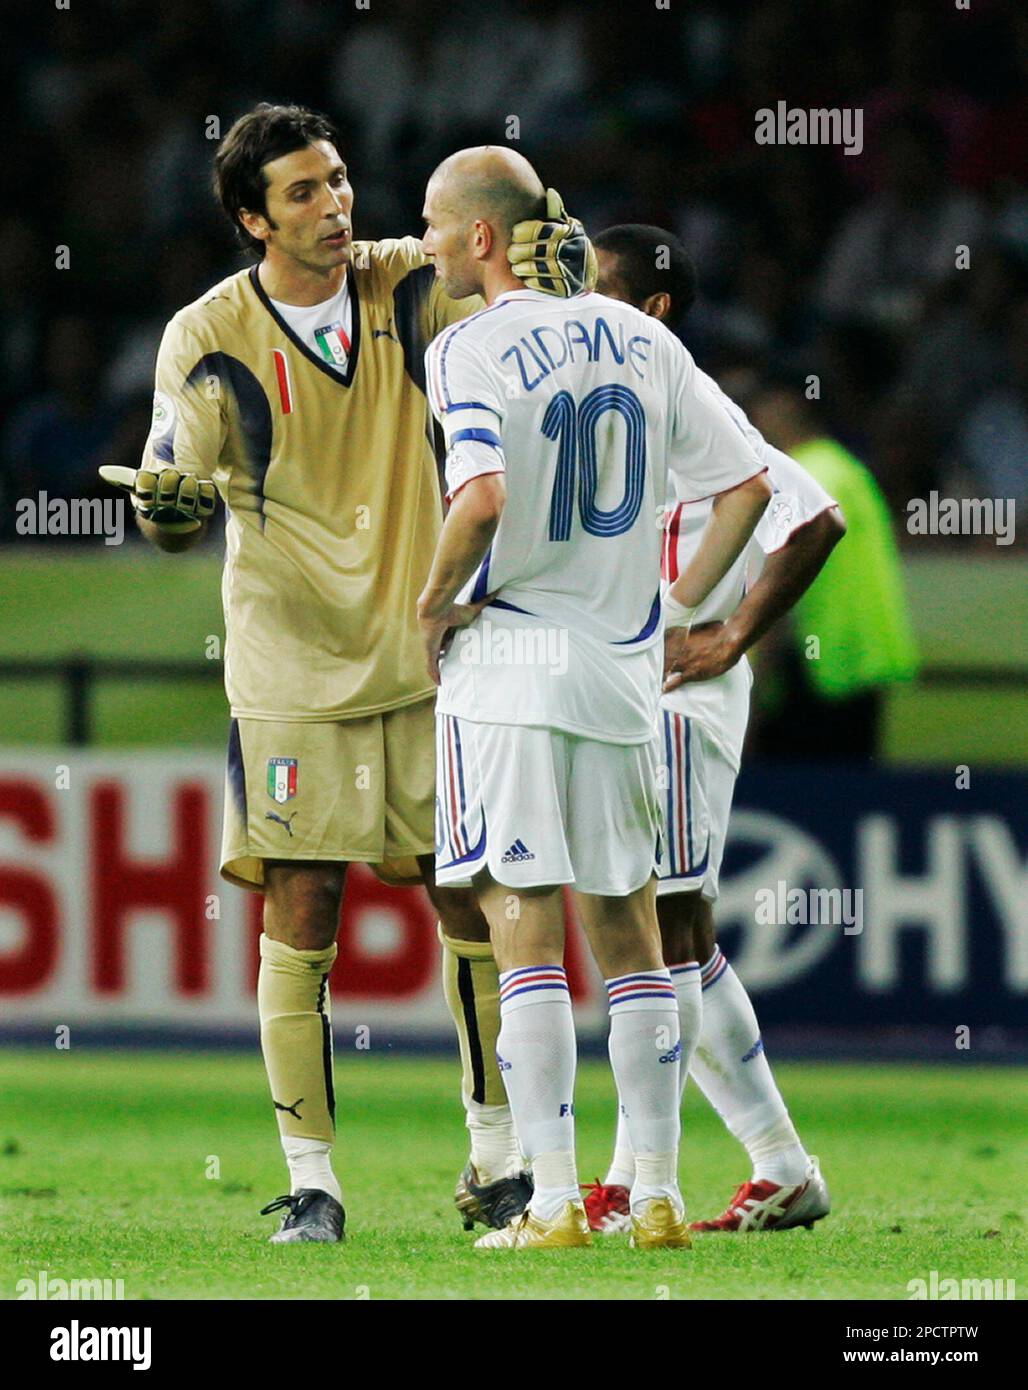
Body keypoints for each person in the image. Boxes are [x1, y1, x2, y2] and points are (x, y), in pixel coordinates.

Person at [98, 104, 590, 1244]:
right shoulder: (206, 332)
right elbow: (176, 477)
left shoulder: (408, 282)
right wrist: (167, 507)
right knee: (302, 904)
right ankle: (312, 1181)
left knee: (466, 892)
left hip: (428, 654)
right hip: (290, 665)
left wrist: (561, 268)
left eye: (337, 181)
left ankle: (498, 1158)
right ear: (249, 219)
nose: (335, 206)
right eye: (305, 192)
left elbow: (520, 284)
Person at [417, 149, 772, 1250]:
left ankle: (558, 1202)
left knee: (523, 927)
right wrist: (676, 606)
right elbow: (750, 481)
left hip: (513, 668)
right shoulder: (646, 338)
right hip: (625, 674)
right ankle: (656, 1195)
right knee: (628, 935)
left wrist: (432, 603)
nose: (423, 241)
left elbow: (478, 498)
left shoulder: (466, 346)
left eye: (432, 223)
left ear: (481, 236)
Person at [585, 224, 843, 1232]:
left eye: (598, 289)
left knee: (653, 934)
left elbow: (815, 517)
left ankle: (632, 1177)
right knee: (669, 939)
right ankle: (779, 1164)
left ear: (650, 311)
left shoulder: (695, 409)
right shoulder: (609, 413)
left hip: (682, 701)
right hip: (621, 696)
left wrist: (732, 633)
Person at [748, 375, 919, 760]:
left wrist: (756, 684)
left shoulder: (797, 478)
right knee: (845, 791)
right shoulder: (846, 467)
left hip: (815, 669)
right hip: (860, 661)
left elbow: (780, 582)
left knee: (797, 794)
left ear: (779, 410)